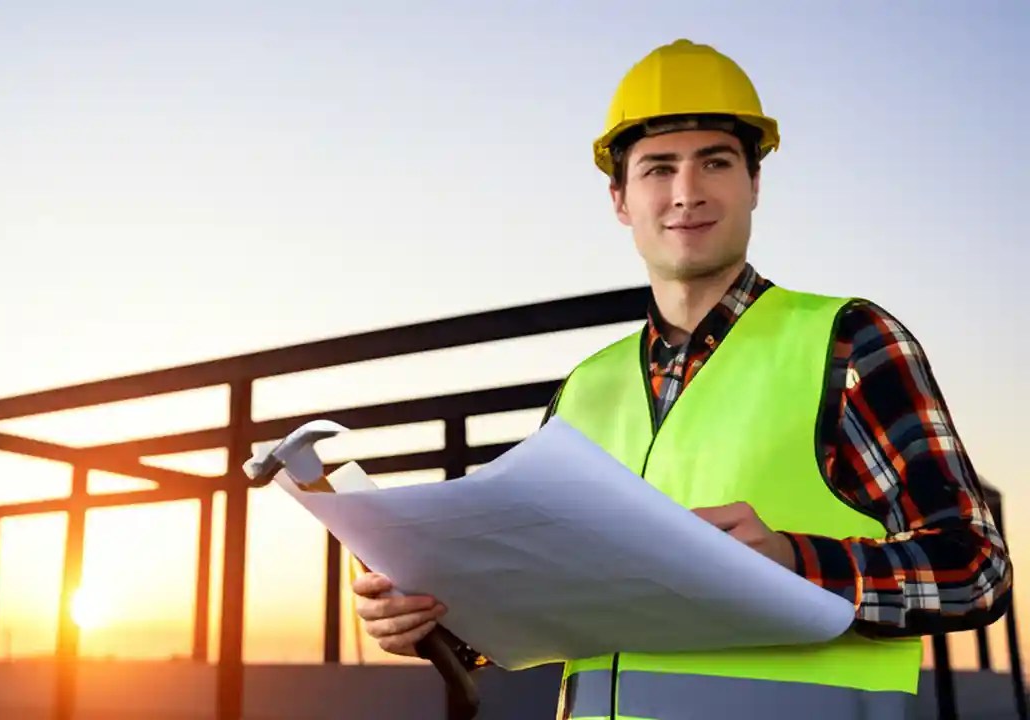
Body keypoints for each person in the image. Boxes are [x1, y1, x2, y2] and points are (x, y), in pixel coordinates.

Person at [352, 38, 1013, 718]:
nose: (687, 193)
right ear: (620, 198)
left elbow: (976, 571)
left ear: (755, 183)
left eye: (715, 163)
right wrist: (433, 621)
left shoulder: (849, 344)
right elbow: (547, 598)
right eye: (659, 169)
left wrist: (793, 563)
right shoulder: (585, 389)